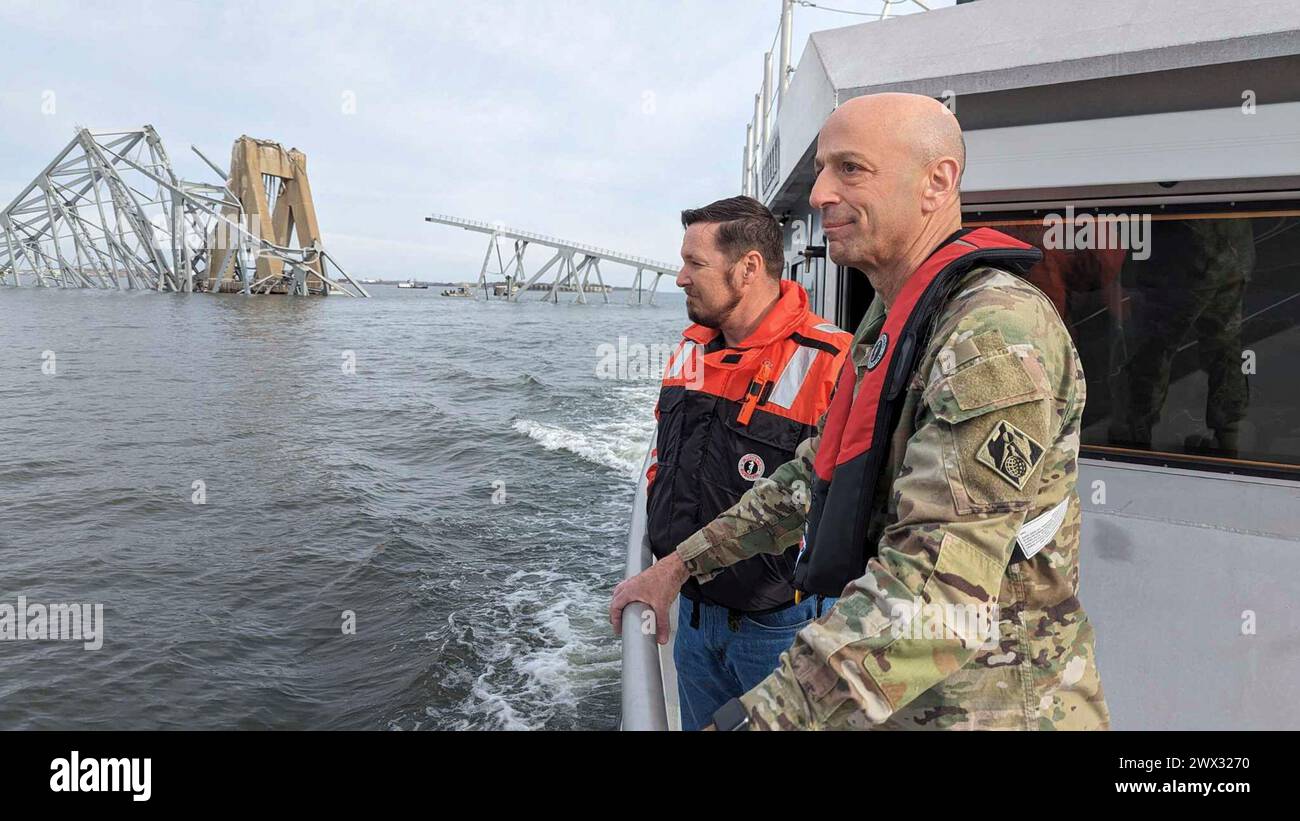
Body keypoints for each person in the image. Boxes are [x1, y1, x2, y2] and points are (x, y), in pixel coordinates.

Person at [610, 93, 1109, 730]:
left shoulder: (991, 335)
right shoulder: (889, 327)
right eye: (821, 169)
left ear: (938, 182)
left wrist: (753, 721)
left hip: (991, 710)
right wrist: (679, 567)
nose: (818, 193)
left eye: (850, 168)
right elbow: (806, 484)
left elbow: (935, 594)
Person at [632, 195, 850, 730]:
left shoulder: (833, 364)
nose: (680, 277)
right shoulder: (690, 349)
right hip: (693, 618)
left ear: (748, 267)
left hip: (780, 629)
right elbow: (665, 460)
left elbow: (832, 502)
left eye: (694, 263)